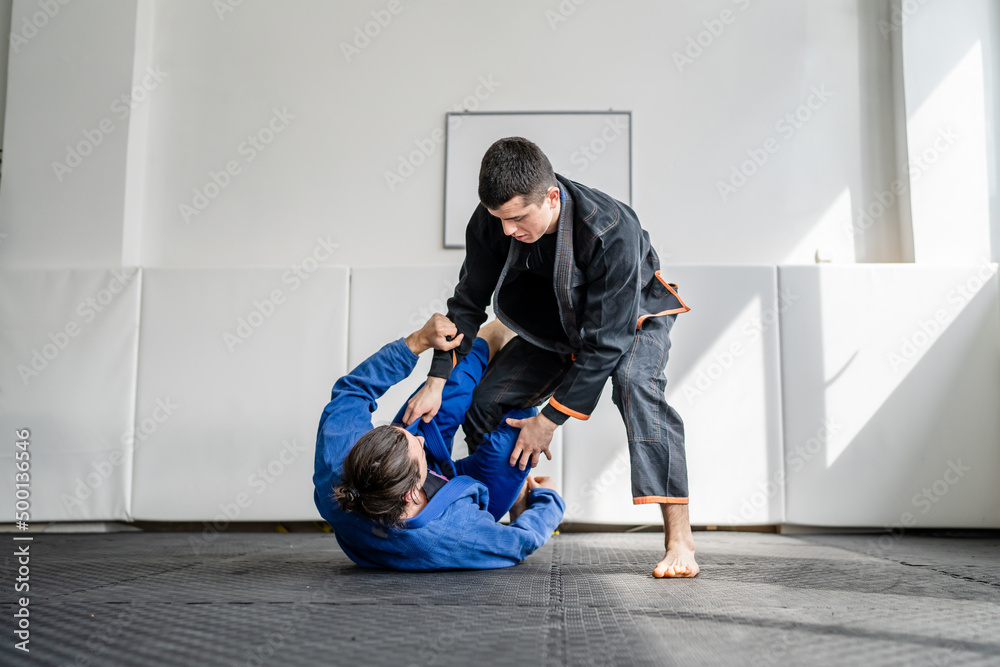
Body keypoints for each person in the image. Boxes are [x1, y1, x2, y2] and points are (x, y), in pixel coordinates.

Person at [404, 137, 698, 578]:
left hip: (631, 320)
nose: (508, 230)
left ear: (552, 197)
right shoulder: (492, 221)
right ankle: (519, 504)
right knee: (486, 403)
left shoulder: (611, 229)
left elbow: (606, 345)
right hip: (558, 326)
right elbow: (466, 305)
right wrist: (437, 379)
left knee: (634, 386)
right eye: (500, 219)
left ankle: (680, 540)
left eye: (518, 218)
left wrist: (548, 421)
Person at [312, 313, 564, 570]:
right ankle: (517, 494)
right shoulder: (453, 533)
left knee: (450, 384)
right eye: (419, 446)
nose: (421, 438)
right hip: (460, 500)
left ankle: (499, 329)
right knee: (519, 439)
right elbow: (520, 542)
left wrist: (417, 341)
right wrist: (547, 498)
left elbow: (353, 391)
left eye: (405, 435)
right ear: (412, 494)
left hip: (407, 480)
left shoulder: (337, 461)